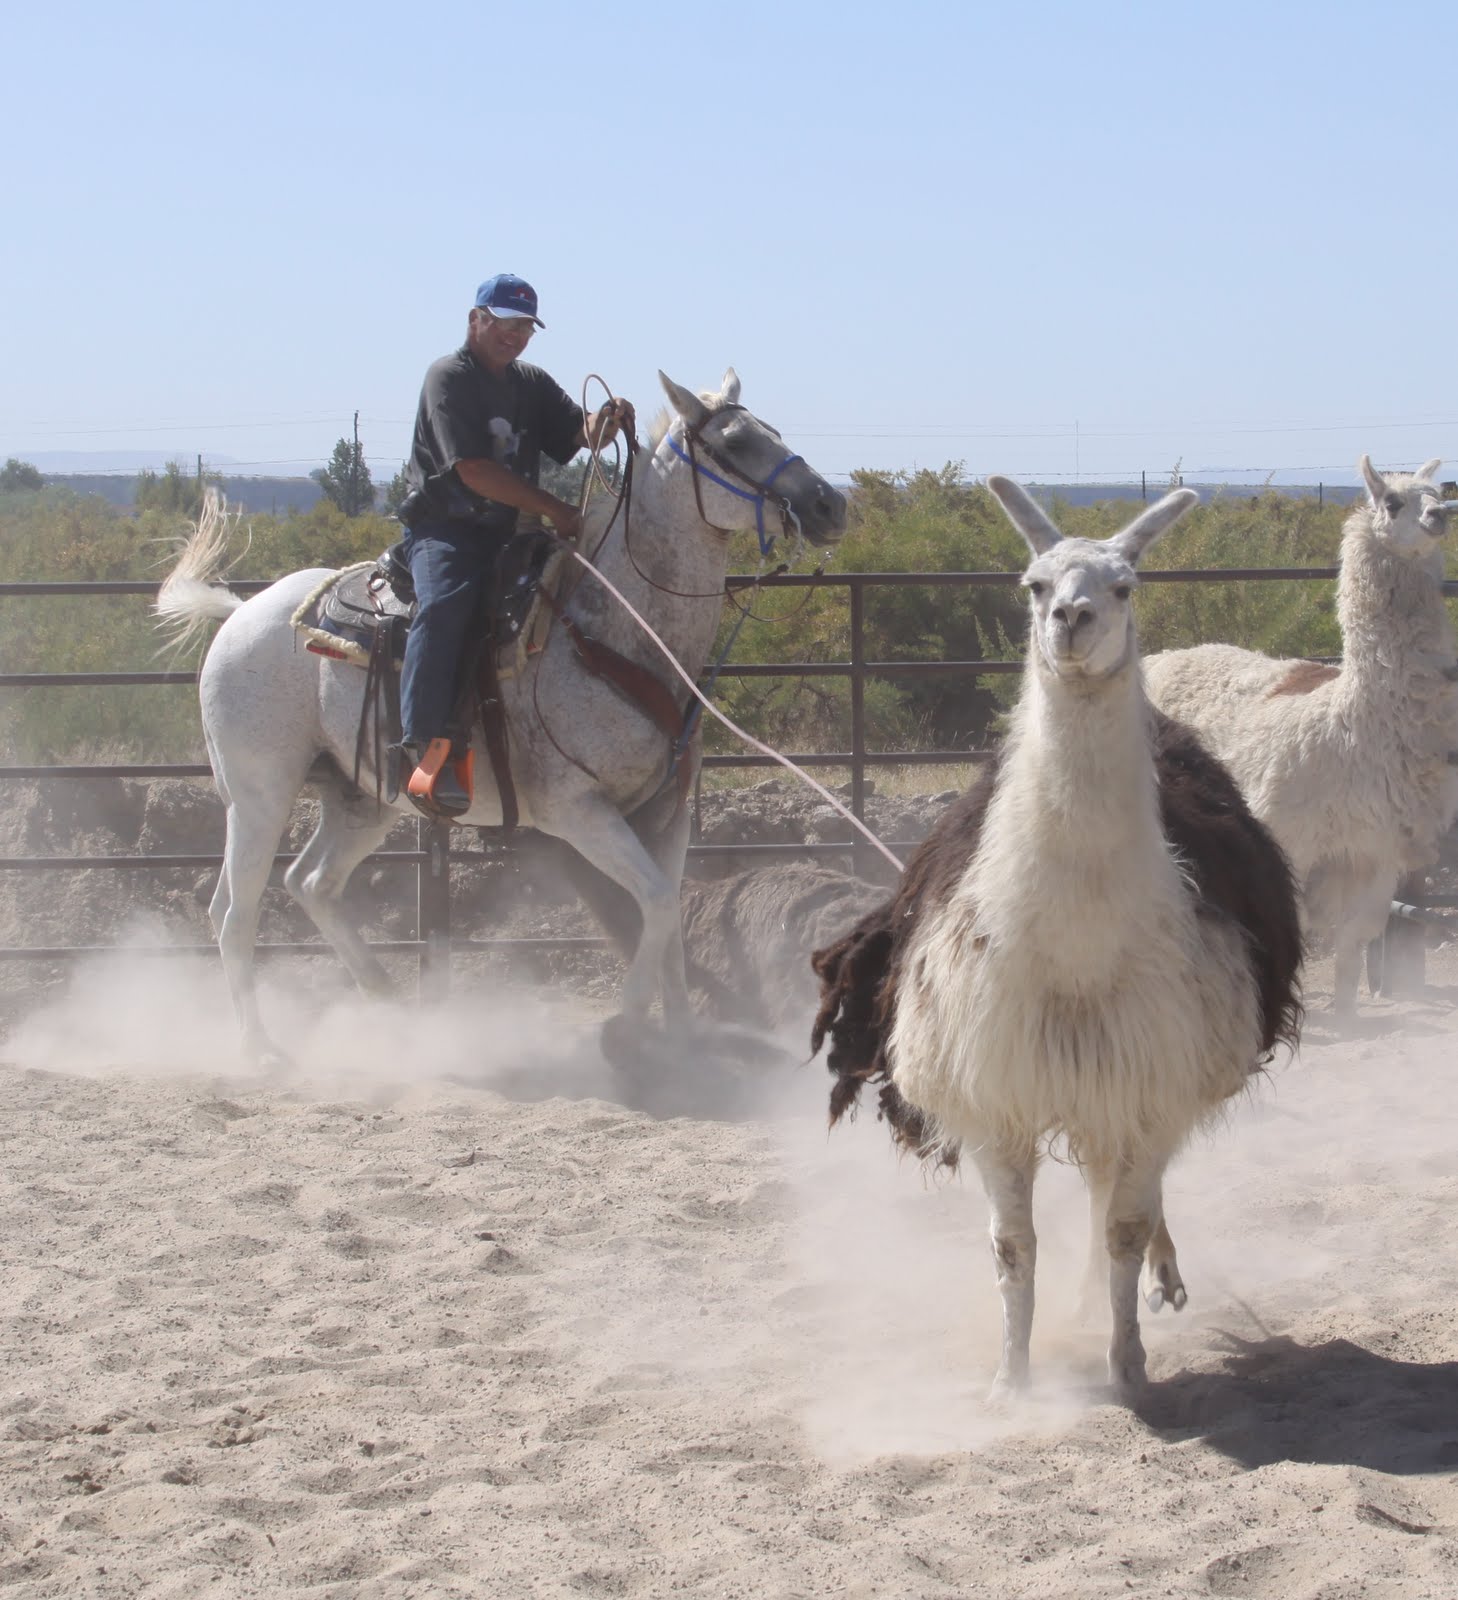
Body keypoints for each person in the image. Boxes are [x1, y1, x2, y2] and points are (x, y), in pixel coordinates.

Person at [394, 273, 635, 818]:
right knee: (445, 603)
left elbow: (579, 434)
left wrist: (607, 420)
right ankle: (427, 742)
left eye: (525, 326)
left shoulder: (530, 382)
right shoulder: (448, 379)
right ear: (476, 319)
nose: (515, 335)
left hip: (513, 532)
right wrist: (555, 510)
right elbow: (473, 470)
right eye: (505, 323)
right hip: (448, 529)